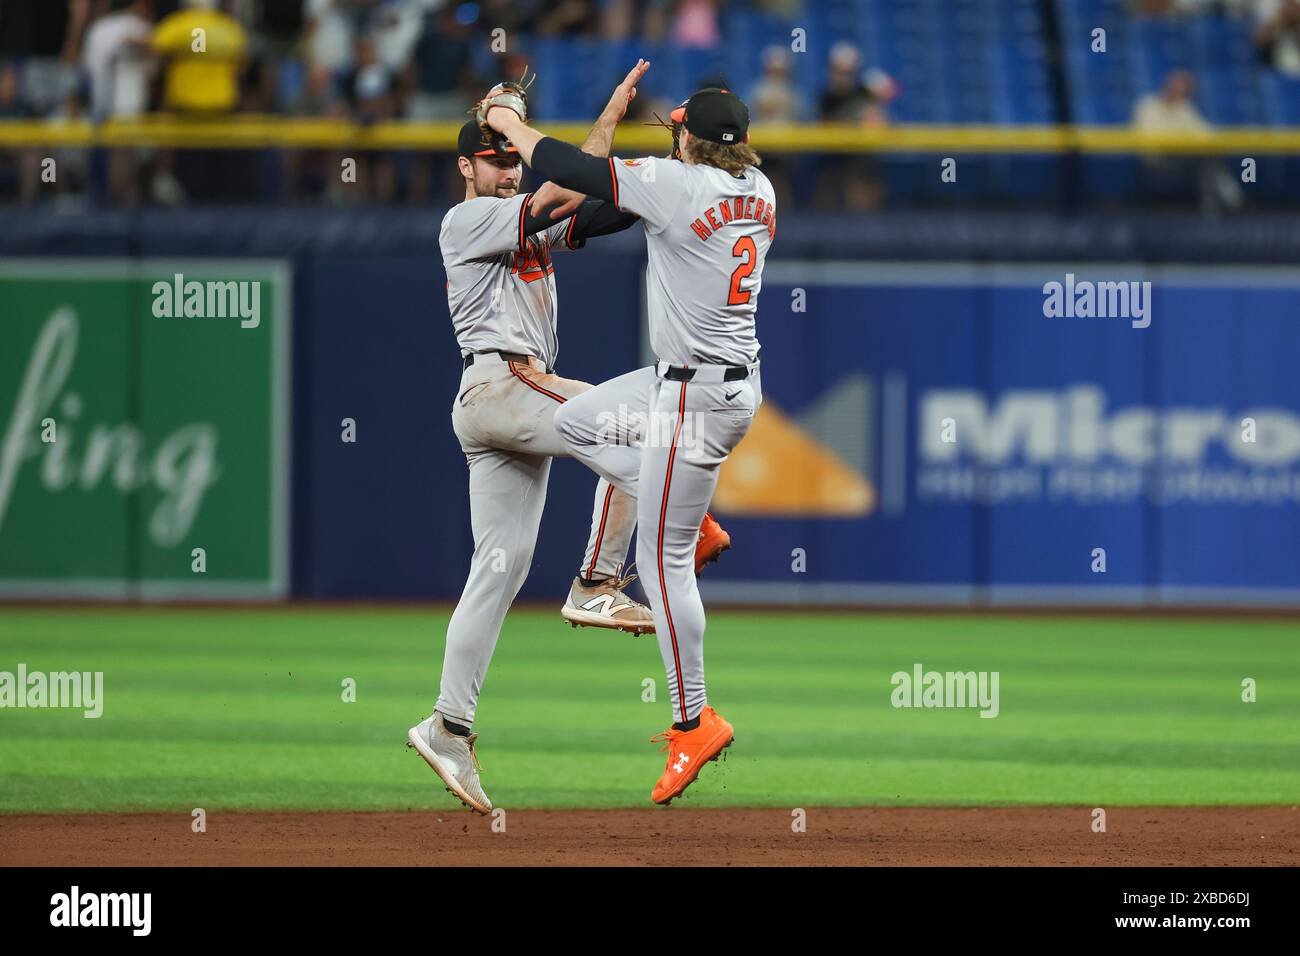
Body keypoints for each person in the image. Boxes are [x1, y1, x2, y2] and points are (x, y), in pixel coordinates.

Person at [405, 66, 731, 814]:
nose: (505, 165)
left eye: (507, 156)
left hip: (501, 405)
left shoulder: (517, 209)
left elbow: (591, 197)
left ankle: (448, 726)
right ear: (465, 165)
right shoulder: (465, 221)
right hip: (503, 385)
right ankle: (598, 582)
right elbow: (556, 192)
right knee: (636, 419)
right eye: (491, 156)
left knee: (497, 567)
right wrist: (524, 121)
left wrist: (615, 130)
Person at [483, 66, 774, 806]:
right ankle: (688, 512)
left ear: (691, 139)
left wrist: (510, 124)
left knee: (665, 563)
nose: (671, 133)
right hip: (720, 384)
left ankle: (691, 722)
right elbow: (618, 202)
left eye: (677, 128)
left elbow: (568, 168)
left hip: (693, 398)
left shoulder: (675, 186)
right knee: (576, 420)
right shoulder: (759, 193)